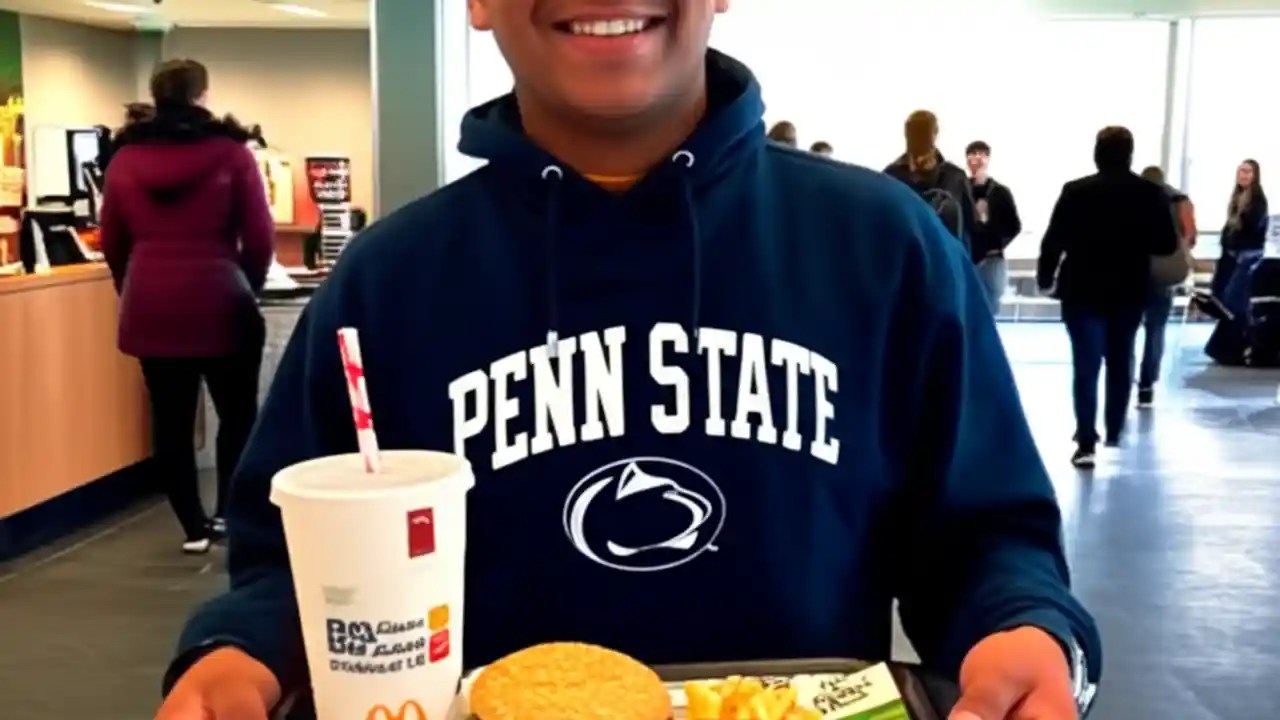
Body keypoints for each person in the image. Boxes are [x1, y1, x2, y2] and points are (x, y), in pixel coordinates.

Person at [157, 4, 1099, 720]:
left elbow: (982, 535)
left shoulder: (883, 249)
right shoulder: (390, 281)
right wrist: (241, 652)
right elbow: (295, 560)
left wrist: (1022, 627)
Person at [100, 59, 274, 554]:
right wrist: (248, 287)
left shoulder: (125, 161)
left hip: (152, 304)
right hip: (222, 299)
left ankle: (192, 526)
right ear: (202, 95)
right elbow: (258, 237)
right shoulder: (232, 155)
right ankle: (231, 514)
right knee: (238, 415)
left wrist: (132, 288)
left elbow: (113, 240)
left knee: (170, 421)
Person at [1037, 128, 1177, 468]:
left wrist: (1045, 278)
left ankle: (1086, 440)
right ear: (1130, 154)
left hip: (1082, 289)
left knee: (1086, 365)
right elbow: (1166, 244)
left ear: (1097, 153)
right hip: (1128, 289)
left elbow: (1054, 239)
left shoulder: (1076, 191)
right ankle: (1114, 428)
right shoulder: (1149, 194)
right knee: (1120, 358)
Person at [1137, 166, 1196, 407]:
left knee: (1125, 330)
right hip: (1164, 272)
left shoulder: (1130, 198)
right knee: (1156, 329)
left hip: (1131, 271)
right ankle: (1146, 384)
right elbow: (1191, 236)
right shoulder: (1180, 200)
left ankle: (1122, 377)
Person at [884, 110, 975, 250]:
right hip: (935, 263)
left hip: (917, 262)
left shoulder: (890, 177)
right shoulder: (955, 176)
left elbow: (970, 231)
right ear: (936, 134)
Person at [965, 141, 1022, 314]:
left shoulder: (1000, 192)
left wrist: (996, 243)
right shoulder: (961, 189)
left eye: (981, 154)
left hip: (992, 259)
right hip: (966, 256)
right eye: (972, 154)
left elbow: (1013, 226)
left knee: (989, 309)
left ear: (988, 159)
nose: (977, 158)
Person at [1212, 159, 1269, 320]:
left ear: (1255, 175)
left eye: (1248, 171)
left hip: (1246, 255)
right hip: (1231, 253)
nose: (1243, 175)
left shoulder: (1257, 200)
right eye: (1241, 171)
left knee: (1234, 299)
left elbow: (1253, 226)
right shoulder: (1236, 197)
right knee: (1221, 295)